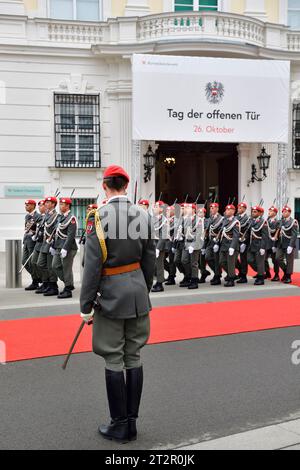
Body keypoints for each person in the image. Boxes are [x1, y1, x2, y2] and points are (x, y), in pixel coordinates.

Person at [80, 165, 155, 443]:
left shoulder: (97, 217)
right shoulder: (143, 215)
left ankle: (119, 424)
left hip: (111, 296)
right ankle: (132, 423)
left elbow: (91, 267)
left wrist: (86, 305)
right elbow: (150, 260)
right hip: (137, 293)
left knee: (113, 356)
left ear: (105, 187)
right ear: (126, 185)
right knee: (133, 355)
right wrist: (142, 291)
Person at [52, 197, 78, 299]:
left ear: (67, 206)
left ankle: (68, 289)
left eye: (62, 204)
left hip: (68, 247)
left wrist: (65, 248)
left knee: (66, 268)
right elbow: (56, 233)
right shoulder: (61, 218)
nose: (60, 206)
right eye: (60, 204)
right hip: (59, 246)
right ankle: (69, 284)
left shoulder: (71, 218)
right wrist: (53, 246)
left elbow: (71, 235)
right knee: (55, 265)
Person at [37, 196, 60, 296]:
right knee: (40, 263)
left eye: (48, 202)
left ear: (53, 204)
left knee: (50, 266)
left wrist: (53, 244)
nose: (46, 204)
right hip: (44, 242)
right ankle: (46, 283)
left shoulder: (56, 216)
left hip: (51, 243)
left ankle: (53, 286)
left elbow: (56, 231)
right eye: (45, 202)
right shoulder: (46, 215)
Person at [276, 205, 299, 284]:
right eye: (283, 212)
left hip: (289, 244)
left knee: (289, 260)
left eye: (285, 212)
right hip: (281, 243)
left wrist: (291, 245)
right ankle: (286, 271)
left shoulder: (293, 222)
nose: (283, 213)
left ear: (289, 212)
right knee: (277, 258)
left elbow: (294, 234)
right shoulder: (281, 221)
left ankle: (288, 276)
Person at [22, 199, 42, 291]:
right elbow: (26, 228)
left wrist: (33, 233)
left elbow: (39, 229)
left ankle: (35, 281)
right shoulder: (27, 216)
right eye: (25, 205)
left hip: (33, 242)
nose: (26, 206)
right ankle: (37, 278)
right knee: (24, 261)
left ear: (33, 206)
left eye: (28, 205)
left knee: (31, 262)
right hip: (26, 240)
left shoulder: (38, 216)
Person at [219, 204, 240, 287]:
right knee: (222, 262)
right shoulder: (225, 220)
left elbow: (236, 236)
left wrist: (232, 247)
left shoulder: (235, 222)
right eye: (226, 210)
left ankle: (231, 279)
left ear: (233, 211)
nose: (226, 211)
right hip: (223, 245)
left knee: (230, 263)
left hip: (231, 245)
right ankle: (232, 274)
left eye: (229, 210)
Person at [247, 206, 269, 286]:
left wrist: (263, 247)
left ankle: (260, 278)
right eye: (252, 211)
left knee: (260, 262)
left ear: (260, 213)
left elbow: (265, 236)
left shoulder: (263, 222)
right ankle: (261, 272)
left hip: (259, 244)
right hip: (251, 244)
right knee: (249, 259)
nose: (253, 213)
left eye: (255, 211)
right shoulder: (251, 221)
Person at [205, 202, 224, 286]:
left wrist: (218, 241)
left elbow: (221, 231)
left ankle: (217, 276)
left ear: (217, 209)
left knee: (216, 260)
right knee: (208, 257)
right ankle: (217, 272)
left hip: (216, 241)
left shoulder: (221, 219)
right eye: (210, 208)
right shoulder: (210, 218)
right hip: (210, 241)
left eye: (213, 208)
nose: (211, 209)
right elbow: (207, 230)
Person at [151, 200, 168, 293]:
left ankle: (160, 283)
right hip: (153, 243)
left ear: (161, 209)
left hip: (159, 245)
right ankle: (157, 280)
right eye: (154, 206)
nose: (154, 208)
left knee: (159, 264)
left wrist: (158, 248)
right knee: (154, 264)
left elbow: (163, 235)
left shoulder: (164, 220)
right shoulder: (153, 218)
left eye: (156, 206)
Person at [31, 200, 47, 294]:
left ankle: (46, 283)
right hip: (38, 243)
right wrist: (35, 235)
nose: (40, 207)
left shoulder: (48, 217)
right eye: (39, 206)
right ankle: (41, 281)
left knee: (41, 264)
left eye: (42, 206)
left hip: (44, 243)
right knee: (34, 263)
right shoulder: (41, 218)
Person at [236, 202, 251, 284]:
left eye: (241, 208)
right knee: (234, 258)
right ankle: (240, 270)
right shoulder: (236, 218)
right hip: (236, 240)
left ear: (245, 209)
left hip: (243, 241)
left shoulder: (247, 218)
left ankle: (243, 276)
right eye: (238, 208)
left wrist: (244, 242)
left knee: (243, 259)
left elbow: (248, 231)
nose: (239, 209)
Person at [265, 206, 281, 282]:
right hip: (267, 244)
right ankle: (267, 272)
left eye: (271, 211)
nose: (269, 212)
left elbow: (277, 233)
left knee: (275, 260)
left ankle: (276, 274)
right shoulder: (267, 221)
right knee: (263, 259)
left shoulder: (277, 222)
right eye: (269, 211)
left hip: (273, 243)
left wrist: (274, 245)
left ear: (274, 213)